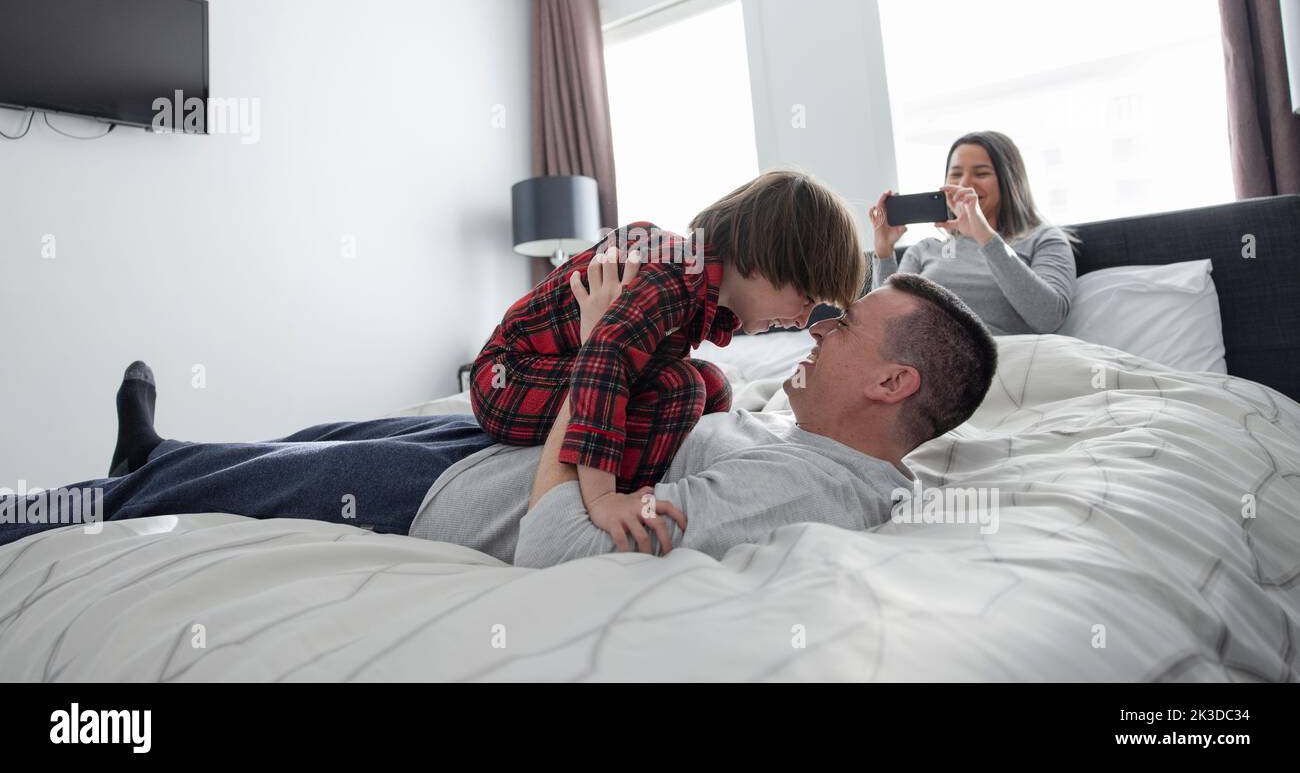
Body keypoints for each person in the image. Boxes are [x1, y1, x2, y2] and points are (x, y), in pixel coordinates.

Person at [0, 268, 997, 567]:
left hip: (456, 499)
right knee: (304, 441)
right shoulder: (822, 455)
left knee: (219, 491)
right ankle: (154, 446)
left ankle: (41, 511)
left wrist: (591, 373)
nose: (818, 333)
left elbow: (560, 540)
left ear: (892, 386)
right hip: (506, 446)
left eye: (848, 330)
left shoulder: (806, 490)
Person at [471, 169, 865, 546]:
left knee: (712, 385)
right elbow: (605, 363)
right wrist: (602, 499)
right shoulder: (673, 273)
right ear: (766, 262)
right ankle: (617, 497)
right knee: (681, 386)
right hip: (507, 378)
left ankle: (658, 476)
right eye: (809, 300)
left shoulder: (695, 285)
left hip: (549, 370)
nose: (802, 320)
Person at [870, 130, 1077, 335]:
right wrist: (884, 251)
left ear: (1010, 181)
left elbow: (1048, 318)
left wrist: (985, 237)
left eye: (981, 173)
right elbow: (888, 324)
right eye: (956, 174)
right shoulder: (925, 249)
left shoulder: (1044, 239)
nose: (965, 183)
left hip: (1004, 358)